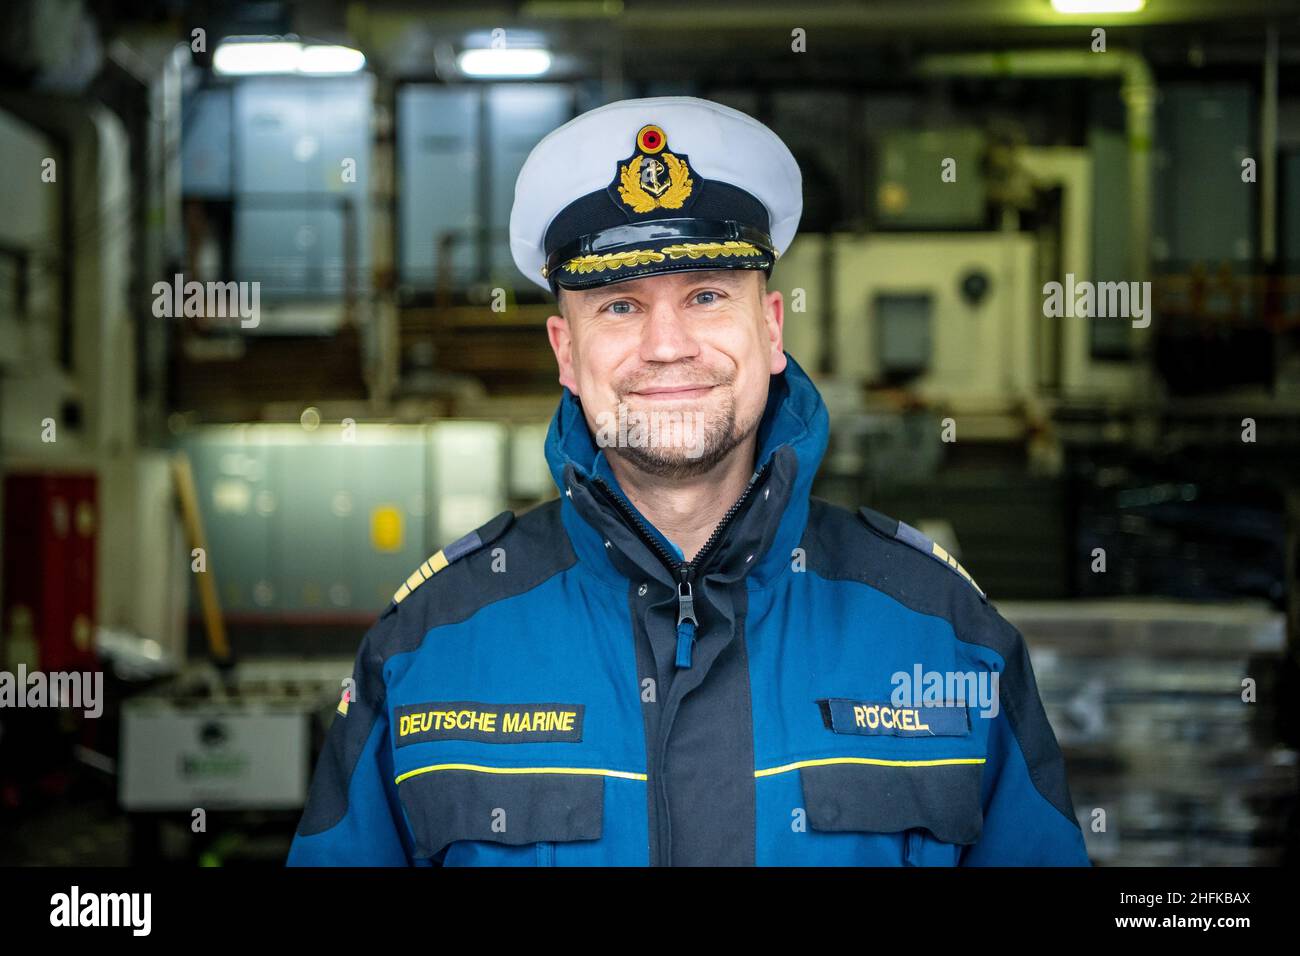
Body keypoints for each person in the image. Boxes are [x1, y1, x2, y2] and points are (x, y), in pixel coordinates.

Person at [287, 96, 1090, 866]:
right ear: (566, 352)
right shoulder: (429, 648)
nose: (667, 346)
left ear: (770, 328)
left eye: (706, 296)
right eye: (619, 306)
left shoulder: (939, 632)